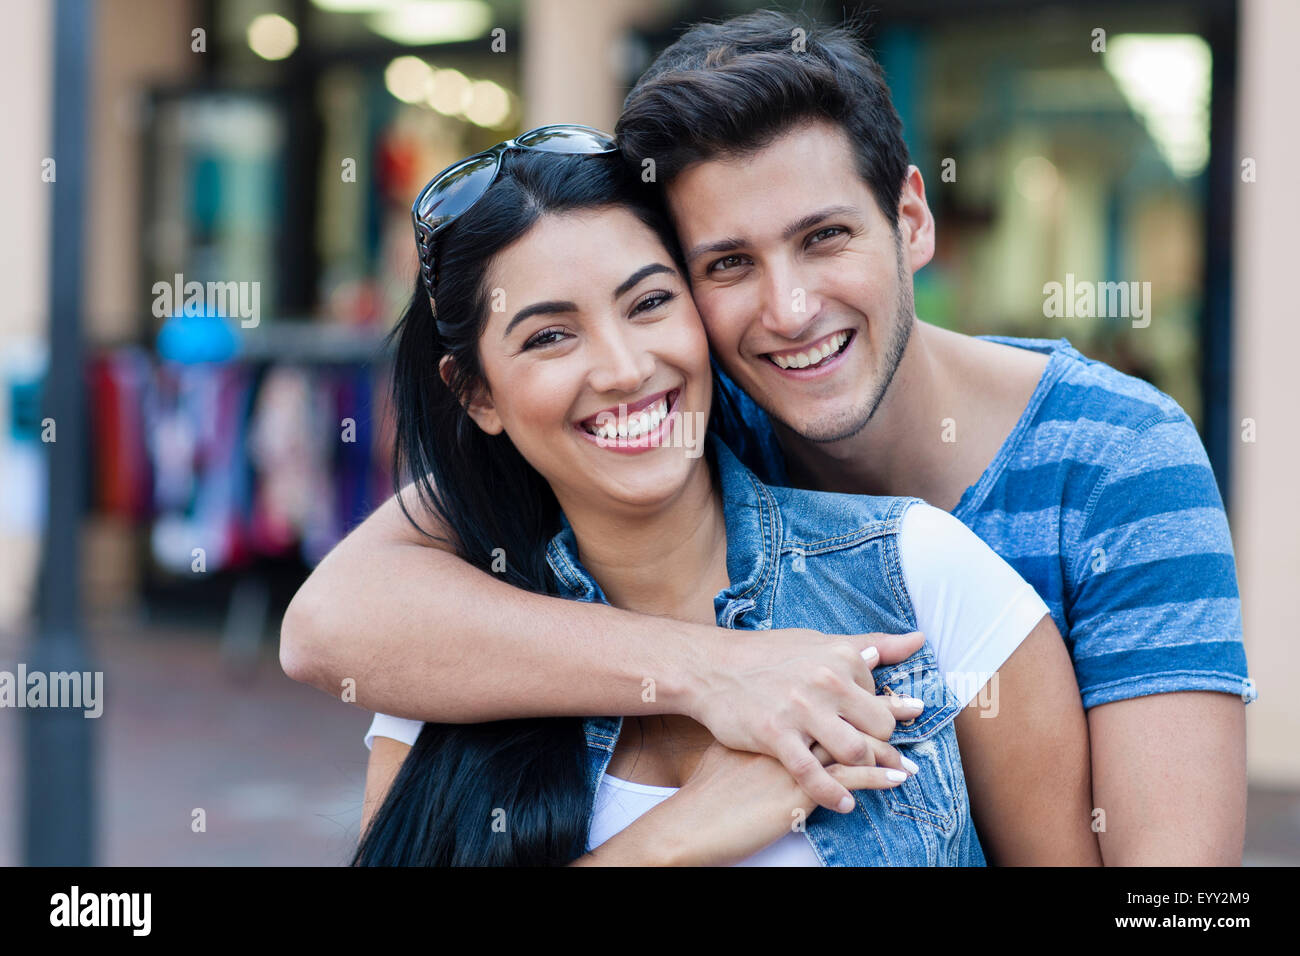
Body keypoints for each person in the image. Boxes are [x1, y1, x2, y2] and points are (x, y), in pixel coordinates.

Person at [282, 11, 1251, 864]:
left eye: (824, 237)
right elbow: (331, 621)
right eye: (727, 262)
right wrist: (716, 676)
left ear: (911, 219)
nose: (788, 311)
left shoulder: (1114, 455)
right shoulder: (684, 419)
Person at [350, 135, 1095, 866]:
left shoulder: (922, 577)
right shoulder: (453, 657)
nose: (622, 368)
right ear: (476, 393)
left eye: (648, 303)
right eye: (549, 336)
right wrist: (669, 841)